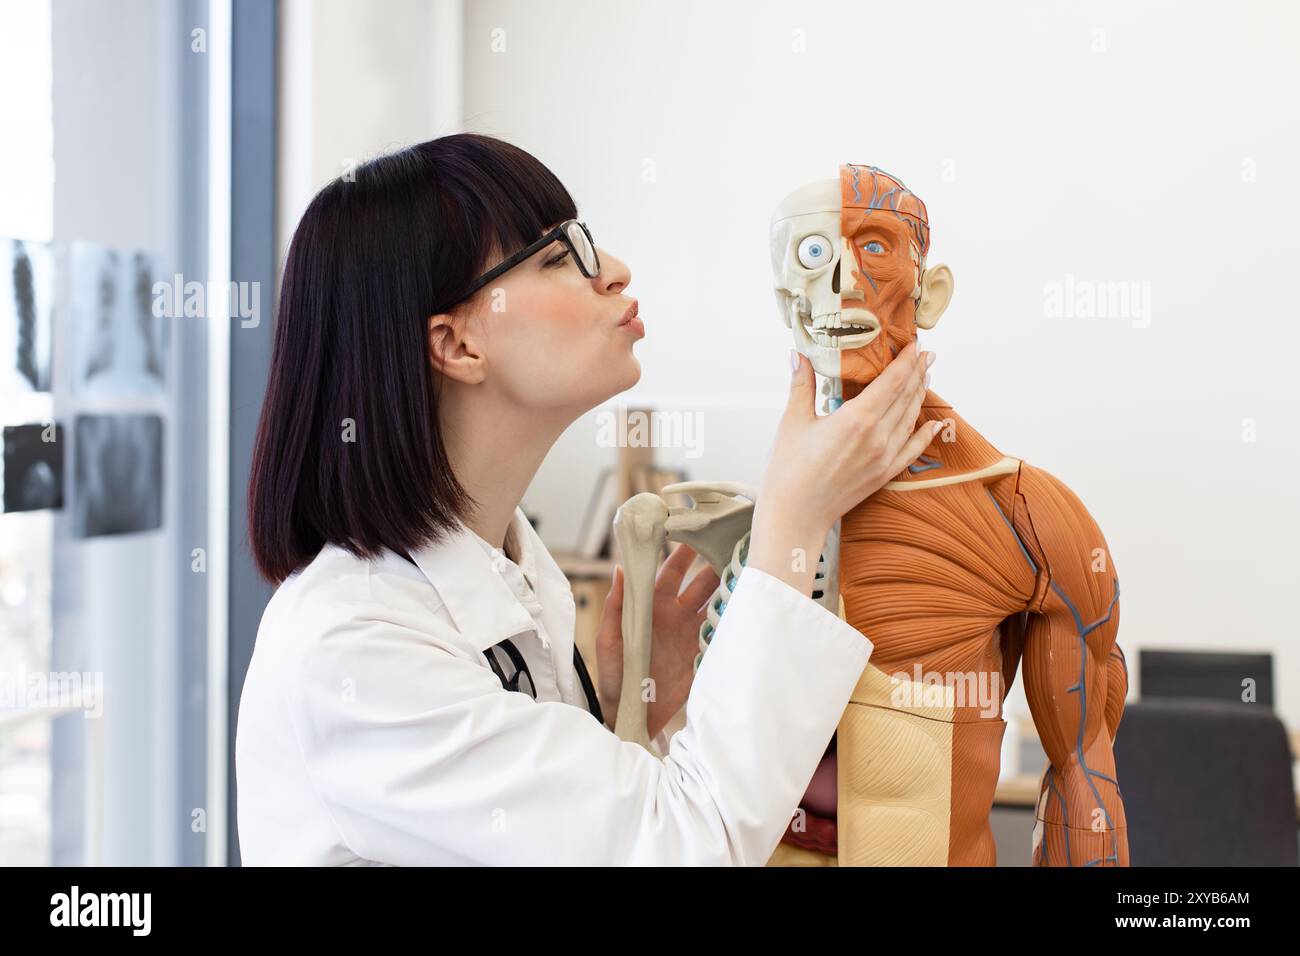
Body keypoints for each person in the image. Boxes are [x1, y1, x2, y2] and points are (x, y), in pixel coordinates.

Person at [235, 133, 938, 865]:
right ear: (457, 345)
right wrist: (795, 521)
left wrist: (644, 717)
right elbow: (682, 846)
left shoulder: (515, 572)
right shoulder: (355, 647)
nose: (613, 272)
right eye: (556, 258)